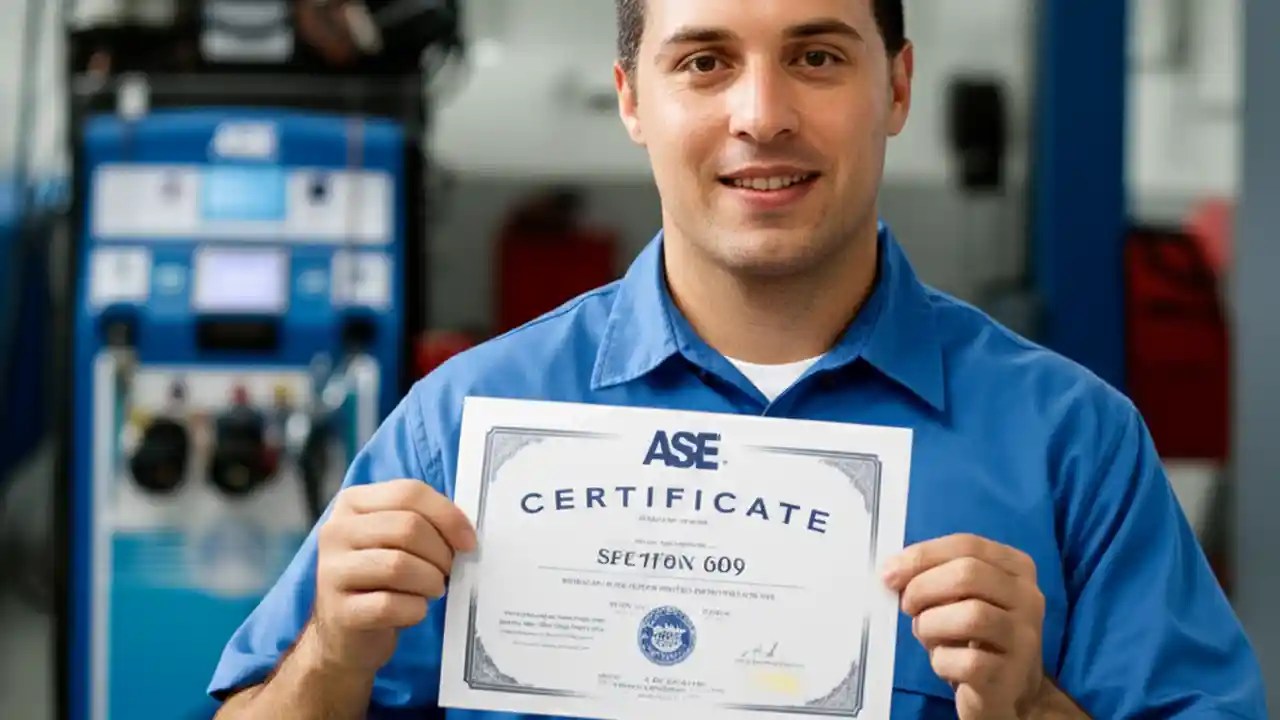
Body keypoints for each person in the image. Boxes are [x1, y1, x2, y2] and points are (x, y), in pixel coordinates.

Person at [208, 0, 1268, 718]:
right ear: (631, 98)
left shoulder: (1068, 446)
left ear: (894, 87)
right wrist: (331, 658)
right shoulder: (462, 423)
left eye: (815, 56)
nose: (760, 116)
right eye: (704, 61)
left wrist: (1030, 703)